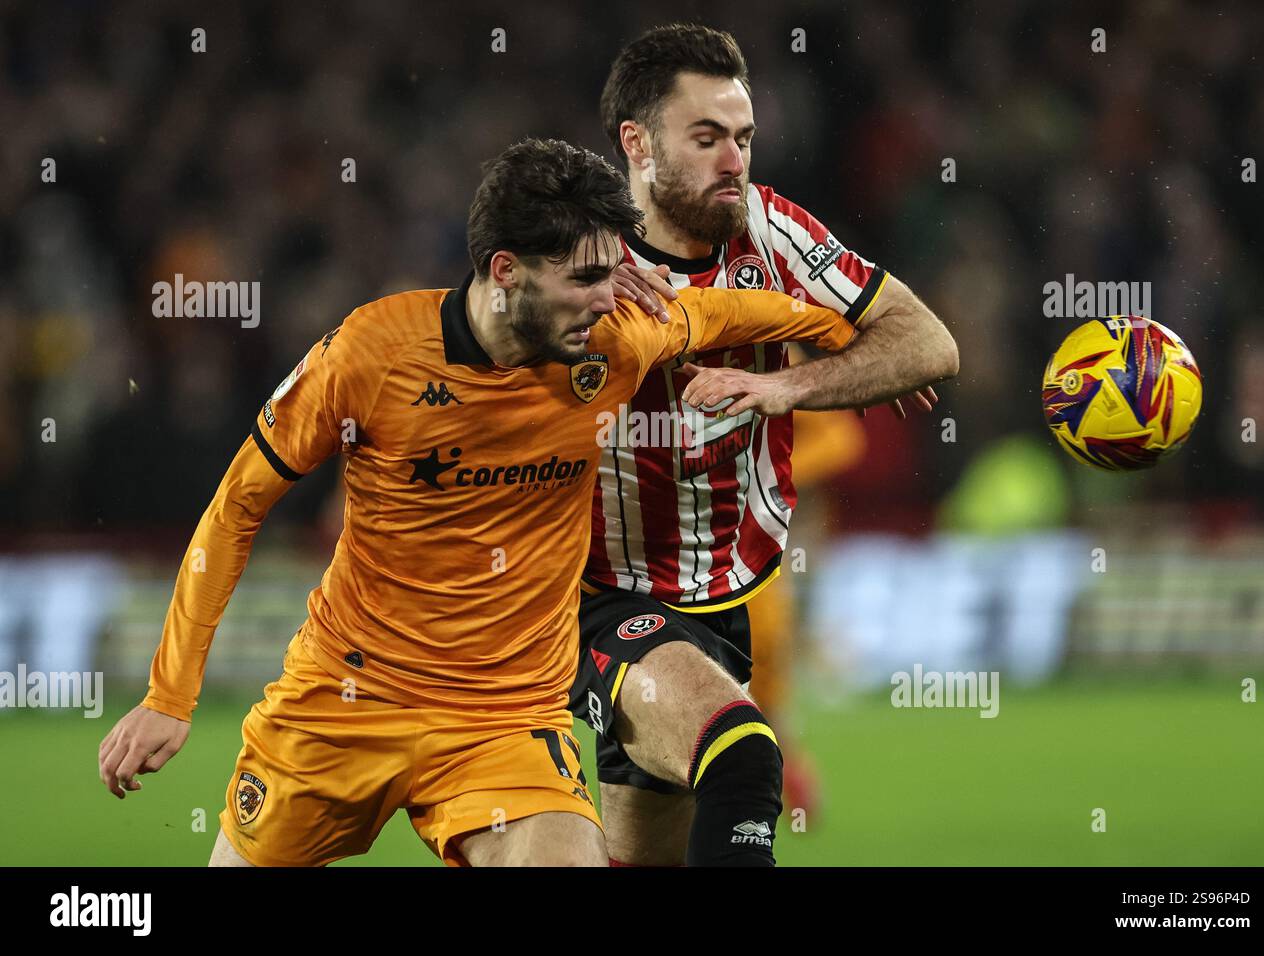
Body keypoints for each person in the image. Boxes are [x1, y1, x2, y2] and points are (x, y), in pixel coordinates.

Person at [96, 137, 870, 867]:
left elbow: (734, 312)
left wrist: (848, 345)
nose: (610, 298)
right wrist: (170, 696)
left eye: (613, 273)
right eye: (586, 277)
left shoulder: (616, 341)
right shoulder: (371, 354)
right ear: (506, 270)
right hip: (342, 701)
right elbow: (236, 508)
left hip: (505, 720)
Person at [568, 24, 959, 866]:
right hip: (597, 599)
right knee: (746, 759)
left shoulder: (769, 232)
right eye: (705, 138)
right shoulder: (571, 256)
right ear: (636, 144)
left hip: (727, 599)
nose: (733, 161)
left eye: (743, 137)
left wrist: (787, 384)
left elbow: (928, 344)